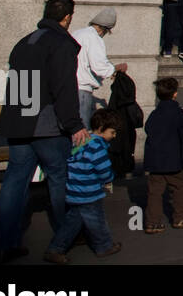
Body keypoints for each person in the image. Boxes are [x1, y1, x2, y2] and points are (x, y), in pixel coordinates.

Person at [0, 0, 89, 265]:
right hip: (47, 127)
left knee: (14, 181)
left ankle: (3, 244)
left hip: (19, 123)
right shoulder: (61, 44)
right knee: (59, 180)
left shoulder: (25, 42)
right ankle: (63, 239)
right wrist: (74, 124)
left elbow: (22, 87)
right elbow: (64, 89)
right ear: (68, 17)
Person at [42, 109, 123, 263]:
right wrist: (109, 178)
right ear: (101, 129)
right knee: (97, 222)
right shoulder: (98, 147)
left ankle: (55, 248)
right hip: (89, 192)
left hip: (74, 191)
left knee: (71, 222)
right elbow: (103, 169)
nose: (114, 136)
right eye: (112, 132)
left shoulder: (81, 141)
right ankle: (104, 246)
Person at [142, 76, 183, 233]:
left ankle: (153, 222)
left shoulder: (154, 115)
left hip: (155, 160)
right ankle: (180, 217)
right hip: (174, 160)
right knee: (179, 189)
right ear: (175, 94)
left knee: (154, 192)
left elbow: (149, 131)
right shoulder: (179, 114)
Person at [73, 6, 127, 121]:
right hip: (81, 90)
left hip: (68, 87)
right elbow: (100, 67)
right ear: (105, 29)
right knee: (81, 132)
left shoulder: (77, 33)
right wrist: (115, 69)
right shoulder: (94, 38)